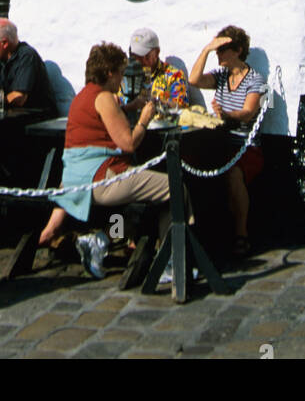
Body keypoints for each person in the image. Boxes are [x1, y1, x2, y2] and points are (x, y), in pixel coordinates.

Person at [38, 42, 180, 277]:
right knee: (173, 187)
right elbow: (129, 143)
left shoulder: (84, 96)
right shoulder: (104, 98)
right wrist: (144, 119)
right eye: (121, 73)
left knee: (126, 209)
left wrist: (128, 106)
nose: (122, 79)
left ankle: (101, 240)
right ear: (110, 72)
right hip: (101, 178)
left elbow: (101, 122)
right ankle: (171, 261)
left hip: (77, 179)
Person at [189, 25, 266, 258]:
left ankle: (241, 234)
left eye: (222, 50)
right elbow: (193, 80)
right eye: (217, 51)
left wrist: (226, 115)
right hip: (219, 141)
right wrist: (206, 49)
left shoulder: (255, 79)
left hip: (244, 145)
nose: (218, 55)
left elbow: (248, 112)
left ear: (238, 50)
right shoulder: (221, 76)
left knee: (233, 173)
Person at [0, 18, 56, 115]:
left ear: (4, 43)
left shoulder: (27, 56)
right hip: (7, 115)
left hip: (34, 117)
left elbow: (19, 97)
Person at [126, 26, 188, 111]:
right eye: (135, 56)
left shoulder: (173, 75)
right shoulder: (124, 73)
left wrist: (155, 101)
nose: (140, 61)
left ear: (157, 52)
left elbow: (181, 107)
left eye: (146, 56)